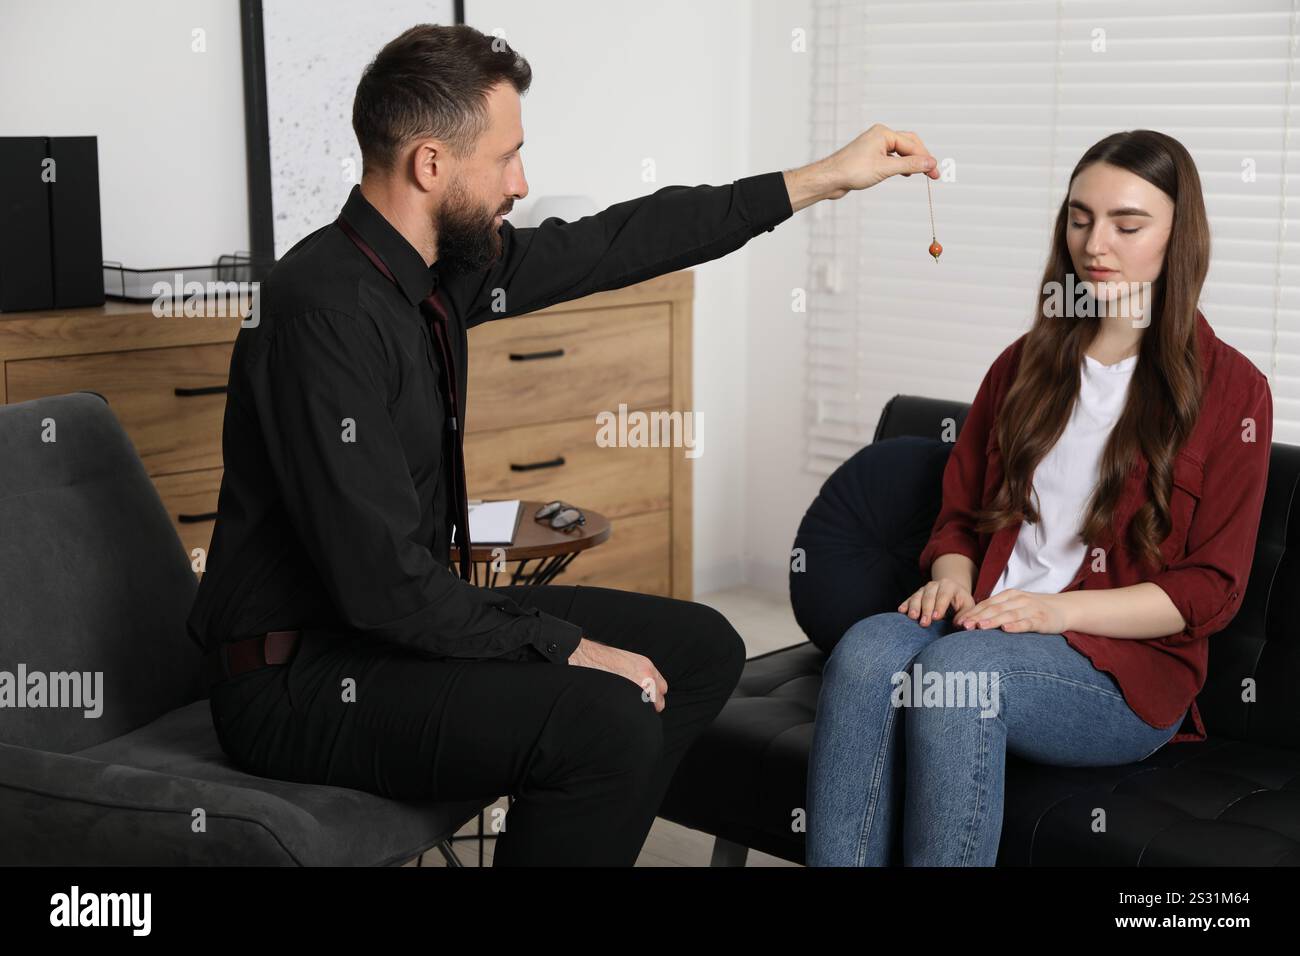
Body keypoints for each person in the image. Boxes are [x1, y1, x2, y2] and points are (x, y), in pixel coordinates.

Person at [186, 22, 938, 866]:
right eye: (505, 157)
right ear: (431, 165)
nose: (522, 182)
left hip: (382, 636)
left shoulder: (432, 273)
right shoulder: (322, 315)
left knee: (699, 649)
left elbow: (617, 240)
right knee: (603, 719)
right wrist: (565, 646)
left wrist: (822, 179)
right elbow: (382, 588)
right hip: (300, 682)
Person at [806, 129, 1274, 867]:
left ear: (1179, 234)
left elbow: (1210, 591)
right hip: (983, 623)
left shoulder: (1234, 391)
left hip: (1116, 671)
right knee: (867, 655)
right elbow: (959, 517)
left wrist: (1054, 612)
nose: (1097, 244)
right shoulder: (1024, 364)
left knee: (961, 677)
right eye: (1080, 217)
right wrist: (950, 580)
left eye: (1128, 223)